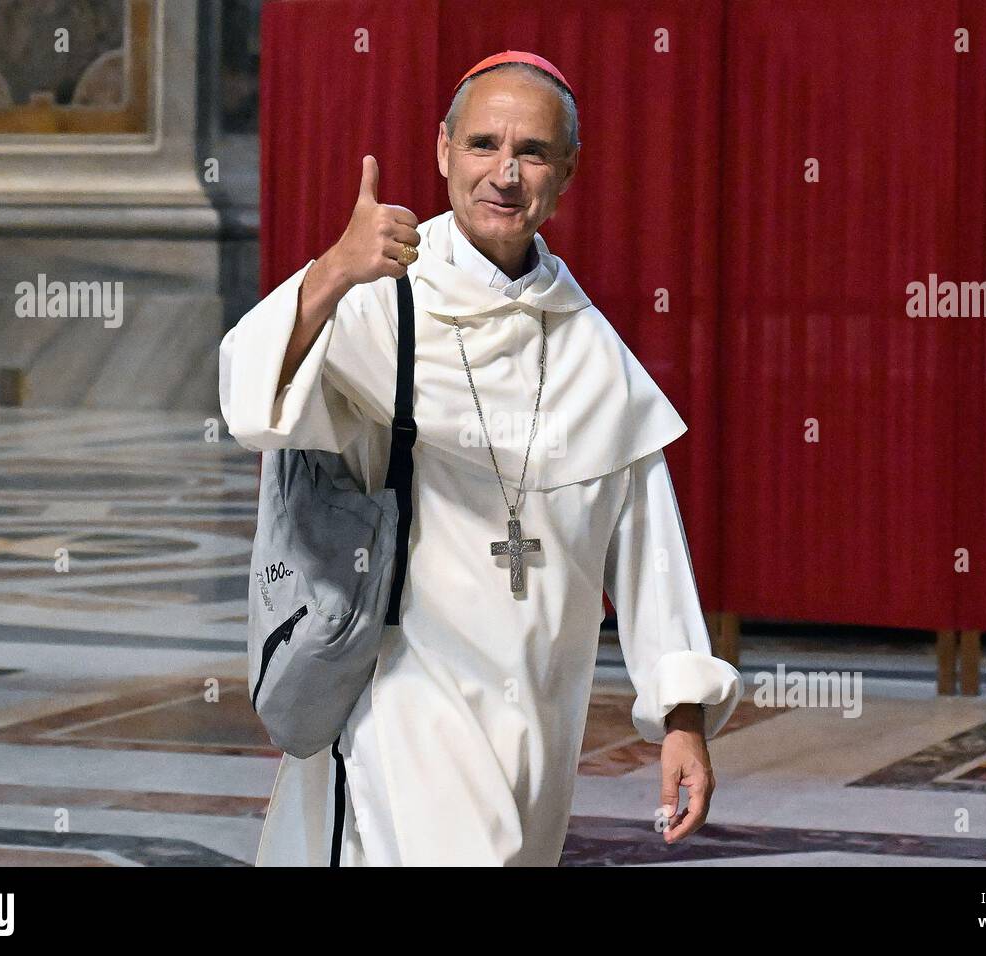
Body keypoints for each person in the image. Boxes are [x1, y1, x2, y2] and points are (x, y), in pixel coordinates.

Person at [219, 51, 743, 866]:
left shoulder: (586, 341)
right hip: (404, 694)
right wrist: (329, 274)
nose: (505, 172)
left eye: (532, 151)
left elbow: (648, 541)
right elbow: (250, 398)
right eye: (483, 144)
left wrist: (681, 715)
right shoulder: (382, 297)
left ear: (568, 170)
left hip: (540, 710)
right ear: (442, 151)